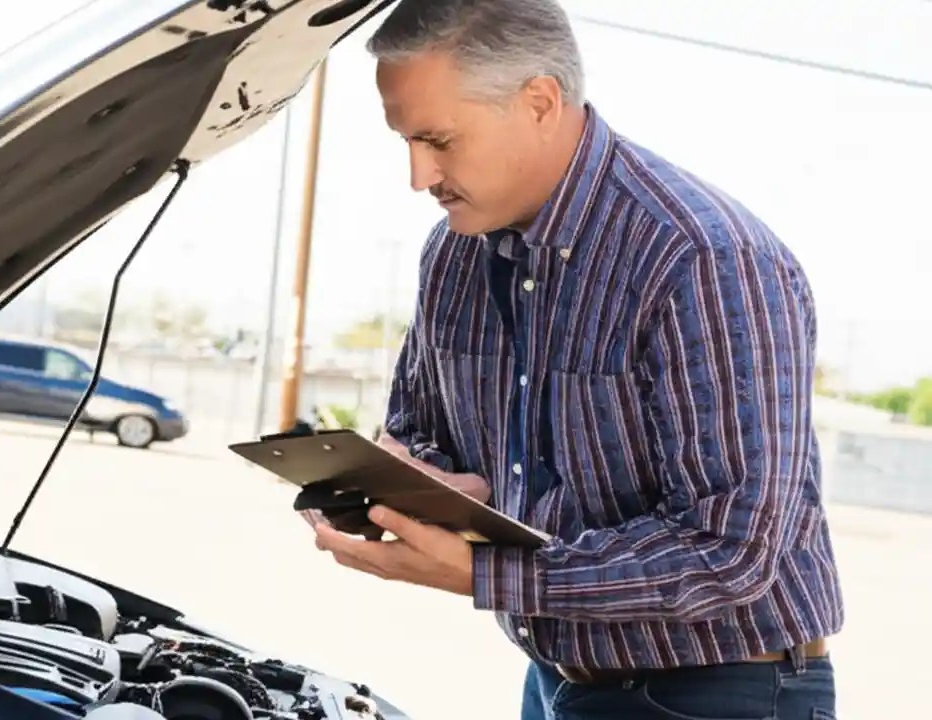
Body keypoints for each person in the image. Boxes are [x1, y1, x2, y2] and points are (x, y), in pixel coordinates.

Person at [309, 1, 844, 718]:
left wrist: (484, 572)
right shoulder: (454, 254)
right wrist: (422, 486)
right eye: (405, 141)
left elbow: (731, 549)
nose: (418, 175)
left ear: (538, 101)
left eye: (438, 140)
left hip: (720, 689)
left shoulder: (702, 260)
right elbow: (417, 427)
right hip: (556, 679)